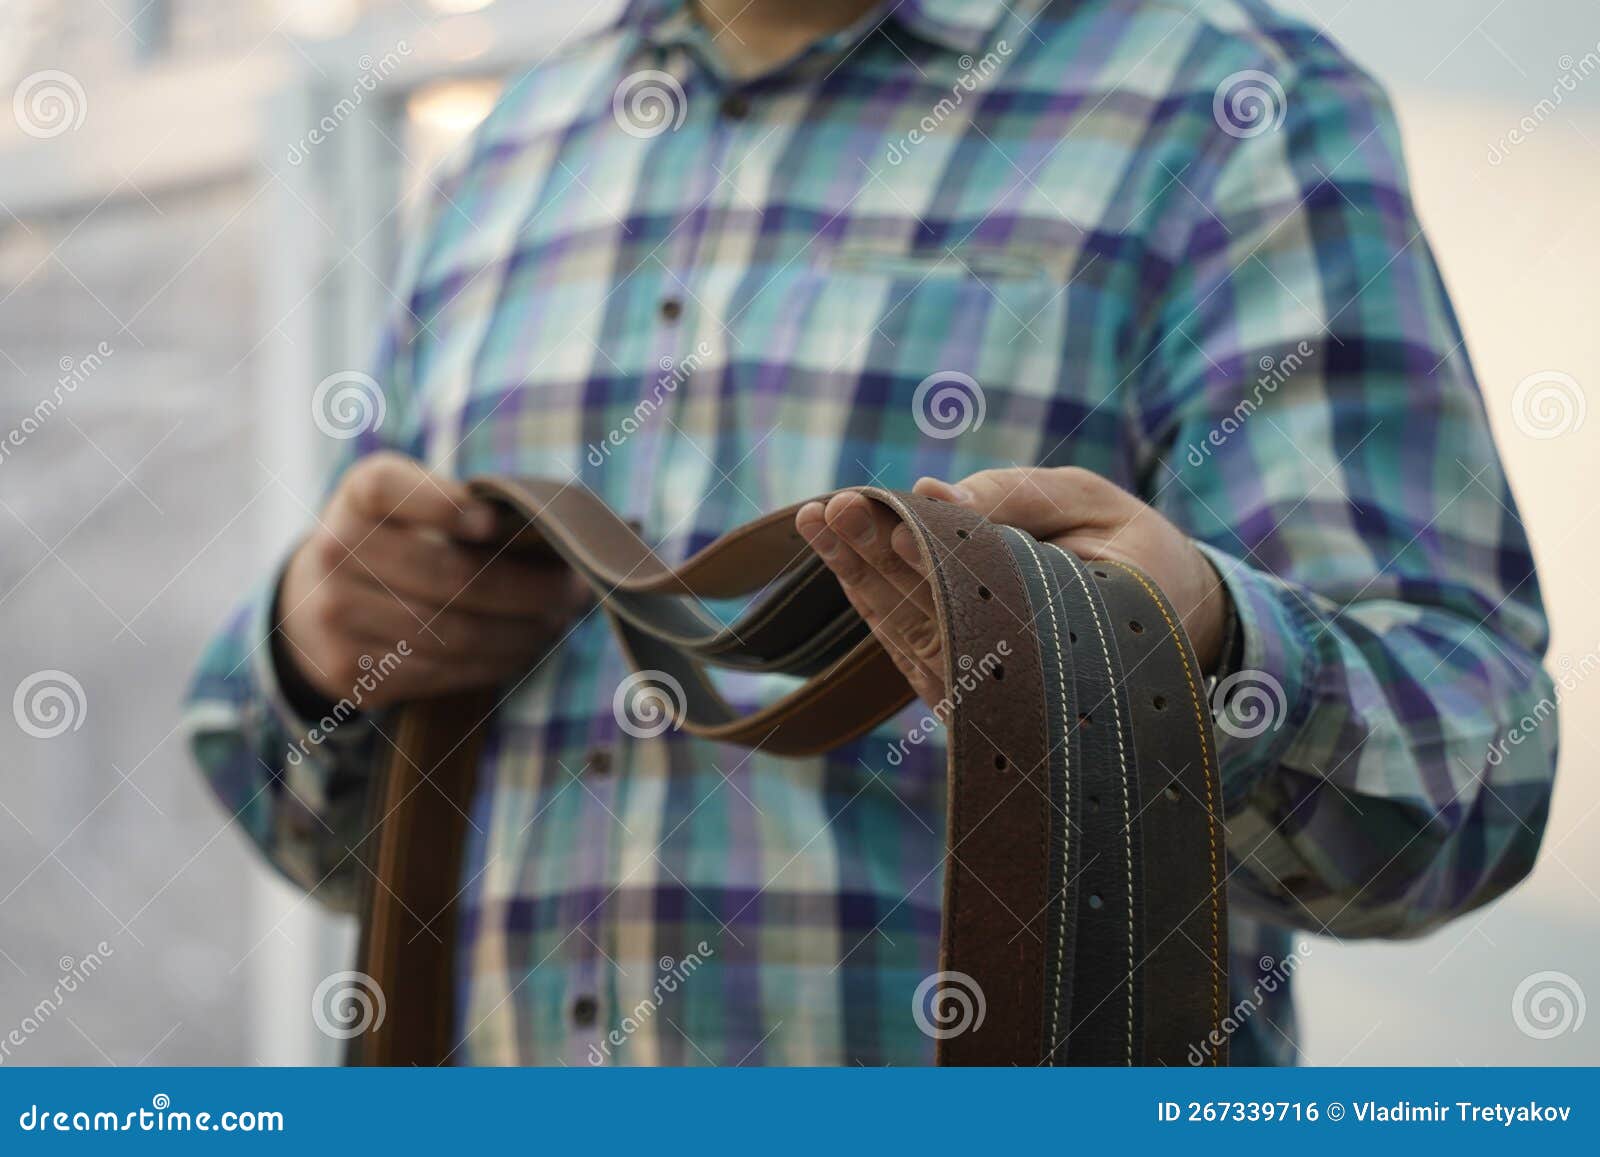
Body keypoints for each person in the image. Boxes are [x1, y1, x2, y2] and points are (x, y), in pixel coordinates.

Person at [185, 0, 1557, 1065]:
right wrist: (316, 655)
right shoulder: (499, 160)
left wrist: (1190, 659)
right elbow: (333, 844)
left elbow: (1479, 774)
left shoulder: (1230, 111)